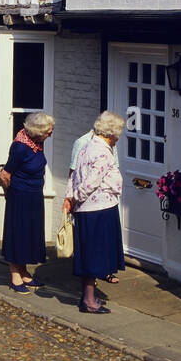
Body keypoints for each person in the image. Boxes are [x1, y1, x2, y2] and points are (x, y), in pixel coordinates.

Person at [65, 110, 127, 314]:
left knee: (88, 254)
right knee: (93, 255)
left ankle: (88, 297)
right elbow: (91, 180)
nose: (118, 137)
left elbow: (74, 176)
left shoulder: (87, 146)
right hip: (98, 209)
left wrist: (74, 199)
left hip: (89, 209)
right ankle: (89, 301)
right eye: (118, 133)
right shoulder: (102, 151)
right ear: (112, 132)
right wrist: (78, 197)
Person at [0, 111, 54, 293]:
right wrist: (10, 194)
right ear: (36, 131)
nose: (51, 133)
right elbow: (6, 175)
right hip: (20, 197)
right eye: (48, 131)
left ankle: (24, 272)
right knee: (19, 235)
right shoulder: (20, 147)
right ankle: (15, 274)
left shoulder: (37, 143)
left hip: (34, 196)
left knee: (30, 235)